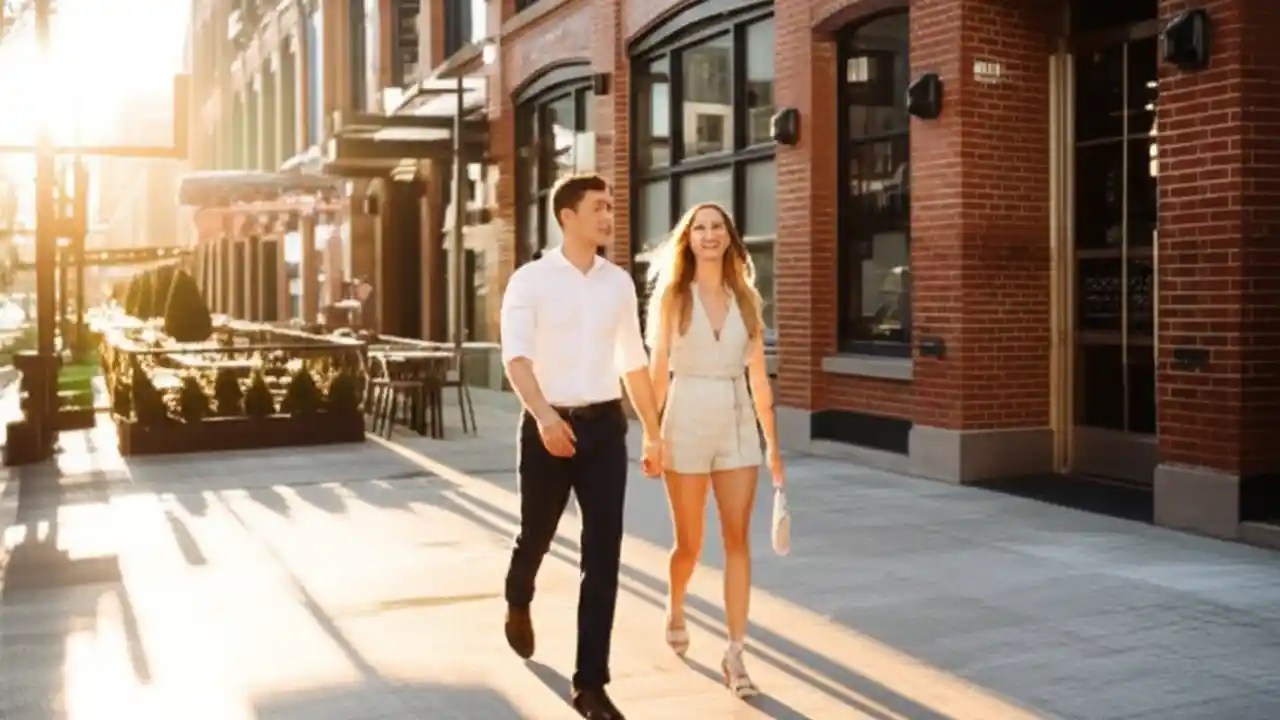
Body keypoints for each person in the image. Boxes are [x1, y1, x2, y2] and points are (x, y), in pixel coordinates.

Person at [499, 172, 663, 720]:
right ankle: (518, 594)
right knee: (536, 536)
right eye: (599, 207)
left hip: (604, 431)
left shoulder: (618, 283)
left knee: (604, 556)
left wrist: (654, 430)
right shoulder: (529, 281)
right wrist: (544, 417)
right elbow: (516, 359)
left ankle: (590, 684)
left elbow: (633, 362)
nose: (609, 215)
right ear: (567, 216)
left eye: (612, 206)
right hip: (547, 424)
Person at [645, 202, 785, 698]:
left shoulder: (746, 296)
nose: (708, 234)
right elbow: (658, 370)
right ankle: (676, 603)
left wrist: (773, 447)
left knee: (737, 540)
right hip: (685, 418)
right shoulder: (672, 298)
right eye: (699, 227)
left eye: (717, 227)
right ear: (688, 239)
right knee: (689, 543)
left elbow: (758, 378)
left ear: (729, 237)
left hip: (737, 423)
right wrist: (650, 433)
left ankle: (735, 653)